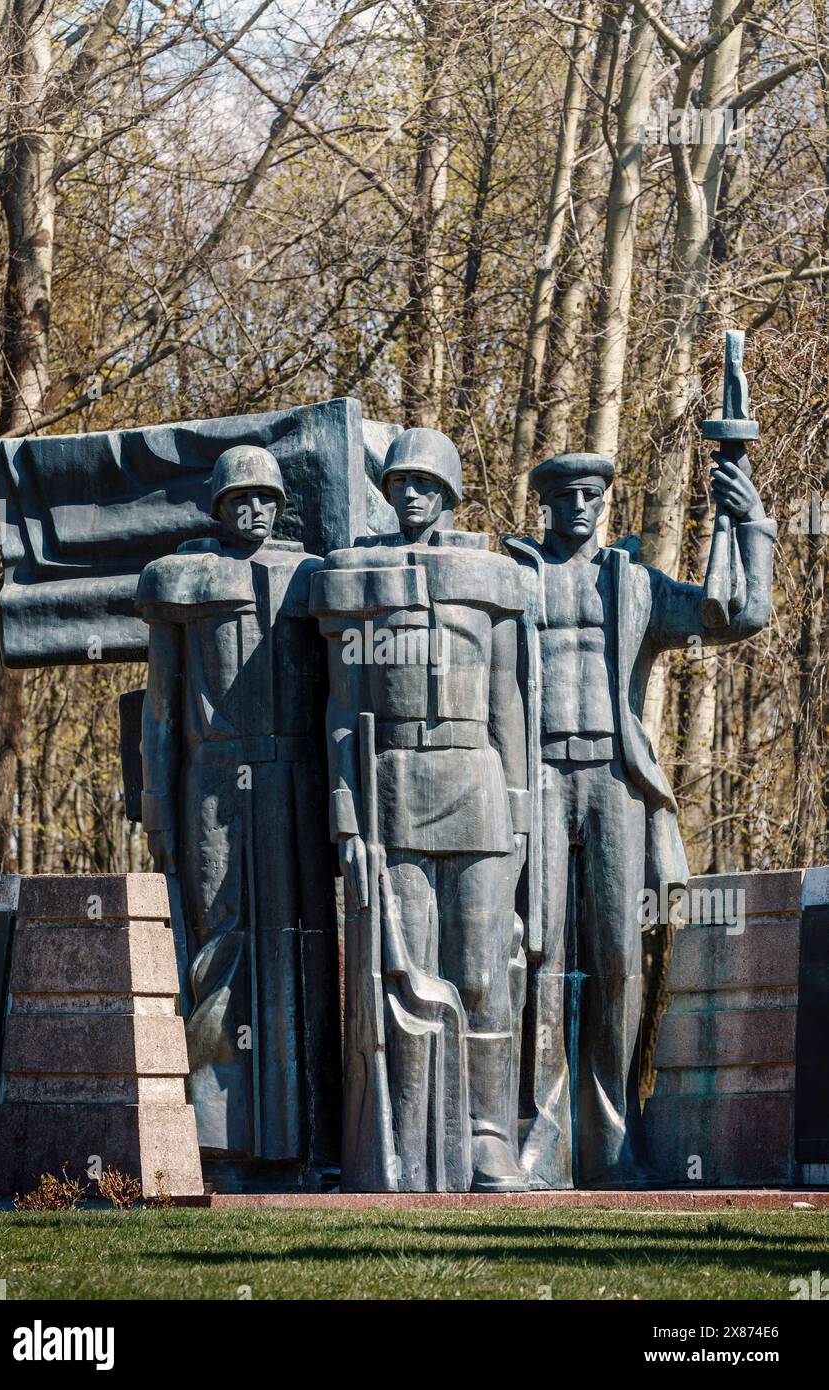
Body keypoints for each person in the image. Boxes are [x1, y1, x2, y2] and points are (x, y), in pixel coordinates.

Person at [505, 450, 776, 1187]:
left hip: (615, 781)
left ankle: (611, 1140)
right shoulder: (515, 577)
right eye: (565, 495)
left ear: (606, 500)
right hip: (537, 778)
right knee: (541, 952)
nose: (580, 506)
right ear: (547, 504)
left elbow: (739, 614)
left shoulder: (635, 585)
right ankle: (543, 1136)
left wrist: (749, 519)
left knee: (620, 959)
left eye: (592, 493)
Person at [312, 427, 530, 1192]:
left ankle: (487, 1137)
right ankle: (406, 1136)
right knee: (406, 969)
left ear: (448, 491)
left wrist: (523, 815)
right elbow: (341, 712)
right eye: (400, 481)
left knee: (479, 971)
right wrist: (345, 814)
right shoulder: (359, 576)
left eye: (425, 483)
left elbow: (510, 705)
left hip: (478, 781)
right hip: (394, 787)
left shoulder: (485, 577)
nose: (410, 494)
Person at [136, 445, 340, 1190]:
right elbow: (161, 707)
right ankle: (221, 1140)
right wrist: (158, 799)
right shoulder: (183, 579)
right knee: (219, 943)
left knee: (302, 950)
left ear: (279, 505)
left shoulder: (313, 576)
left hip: (297, 777)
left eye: (263, 499)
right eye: (237, 500)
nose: (251, 511)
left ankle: (308, 1140)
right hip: (215, 779)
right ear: (217, 508)